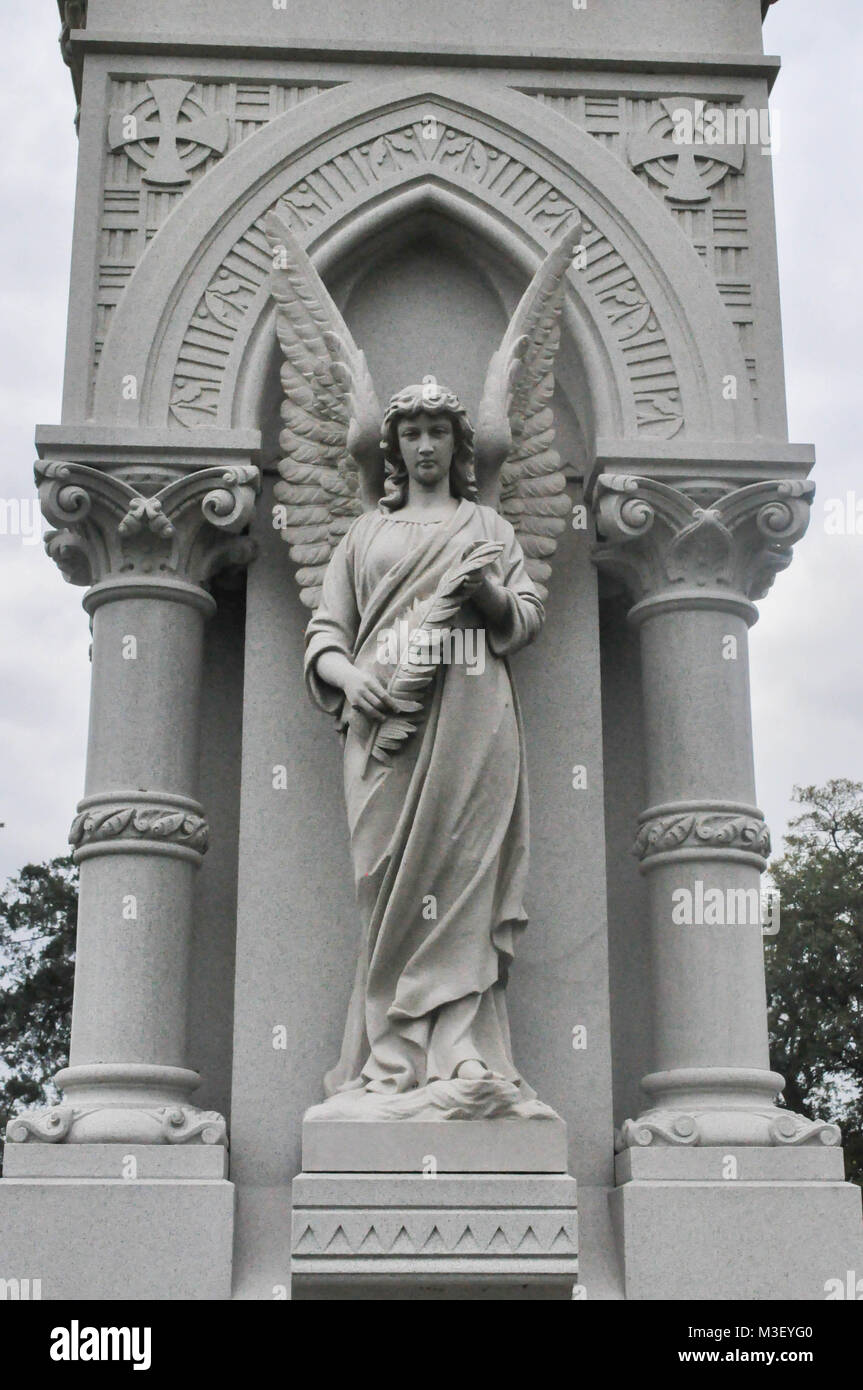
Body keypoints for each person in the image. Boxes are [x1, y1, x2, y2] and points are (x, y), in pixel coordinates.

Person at [304, 382, 545, 1110]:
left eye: (439, 431)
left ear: (457, 444)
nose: (426, 445)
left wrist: (486, 596)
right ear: (394, 446)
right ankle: (392, 1057)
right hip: (385, 728)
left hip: (475, 717)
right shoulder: (363, 536)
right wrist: (349, 682)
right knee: (389, 886)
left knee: (466, 876)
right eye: (412, 432)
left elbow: (526, 615)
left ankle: (461, 1049)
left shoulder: (487, 528)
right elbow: (324, 635)